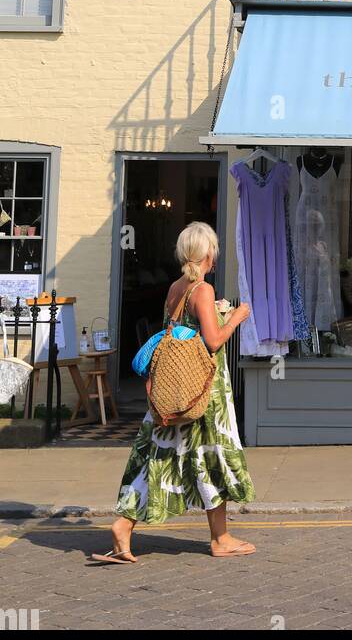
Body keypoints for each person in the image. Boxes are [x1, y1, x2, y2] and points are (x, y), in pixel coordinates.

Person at [92, 222, 256, 562]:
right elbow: (212, 342)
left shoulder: (176, 287)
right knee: (213, 456)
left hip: (174, 390)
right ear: (209, 253)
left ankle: (124, 525)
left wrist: (217, 312)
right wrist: (236, 316)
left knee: (159, 456)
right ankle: (220, 539)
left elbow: (184, 329)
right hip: (202, 392)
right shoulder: (203, 289)